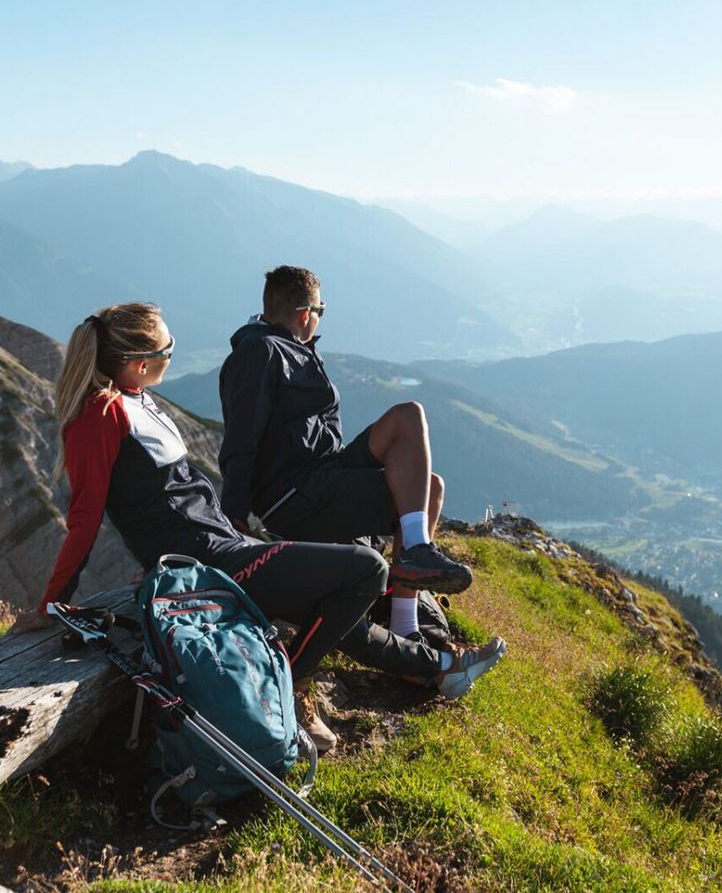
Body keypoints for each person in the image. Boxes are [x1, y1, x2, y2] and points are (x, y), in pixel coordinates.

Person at [10, 303, 504, 749]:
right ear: (140, 362)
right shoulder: (100, 416)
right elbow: (84, 516)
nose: (171, 357)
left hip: (221, 545)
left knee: (329, 601)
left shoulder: (134, 397)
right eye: (168, 349)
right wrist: (53, 603)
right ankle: (290, 681)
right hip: (209, 561)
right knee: (366, 569)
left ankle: (440, 669)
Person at [218, 265, 475, 649]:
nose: (320, 319)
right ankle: (405, 626)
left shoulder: (290, 347)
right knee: (429, 491)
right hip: (295, 493)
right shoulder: (260, 351)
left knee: (410, 423)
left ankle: (415, 556)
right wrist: (233, 520)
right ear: (305, 313)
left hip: (324, 470)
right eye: (321, 310)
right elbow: (241, 437)